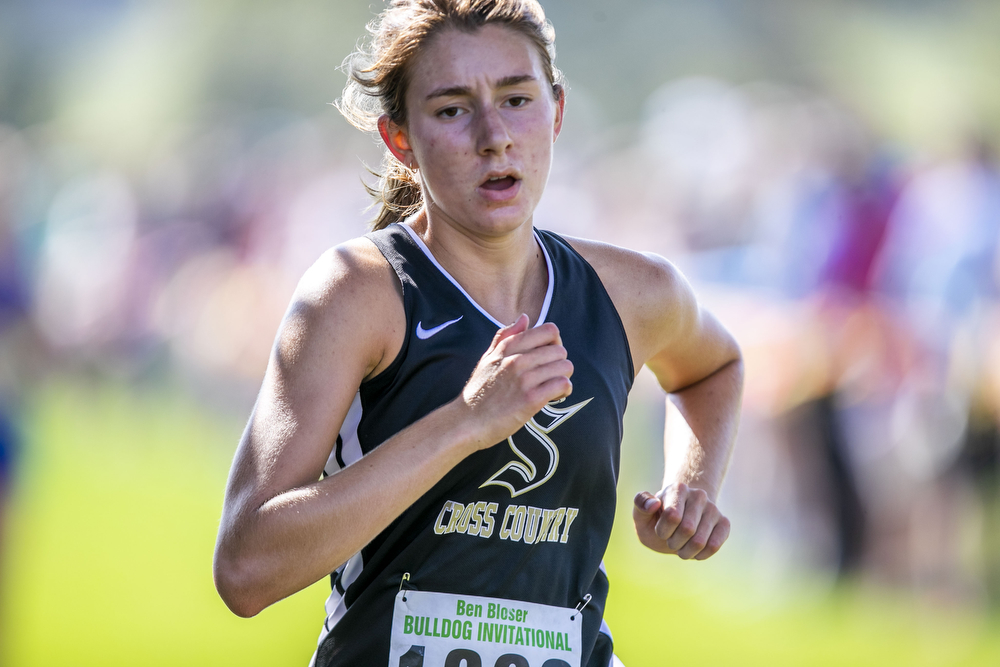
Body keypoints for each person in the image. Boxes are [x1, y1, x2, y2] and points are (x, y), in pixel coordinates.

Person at [213, 1, 743, 665]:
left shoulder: (632, 293)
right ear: (400, 140)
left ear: (556, 112)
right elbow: (246, 568)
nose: (494, 137)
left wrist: (691, 487)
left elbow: (714, 367)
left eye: (517, 100)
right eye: (452, 110)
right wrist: (465, 422)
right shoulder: (358, 293)